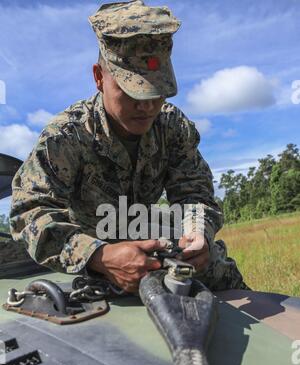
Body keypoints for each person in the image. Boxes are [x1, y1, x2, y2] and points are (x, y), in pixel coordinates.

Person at [10, 0, 248, 293]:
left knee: (217, 270)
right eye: (132, 91)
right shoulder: (68, 136)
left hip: (149, 238)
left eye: (156, 90)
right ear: (99, 77)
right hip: (89, 255)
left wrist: (198, 231)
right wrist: (99, 256)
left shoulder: (171, 127)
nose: (147, 106)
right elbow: (28, 212)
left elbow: (194, 191)